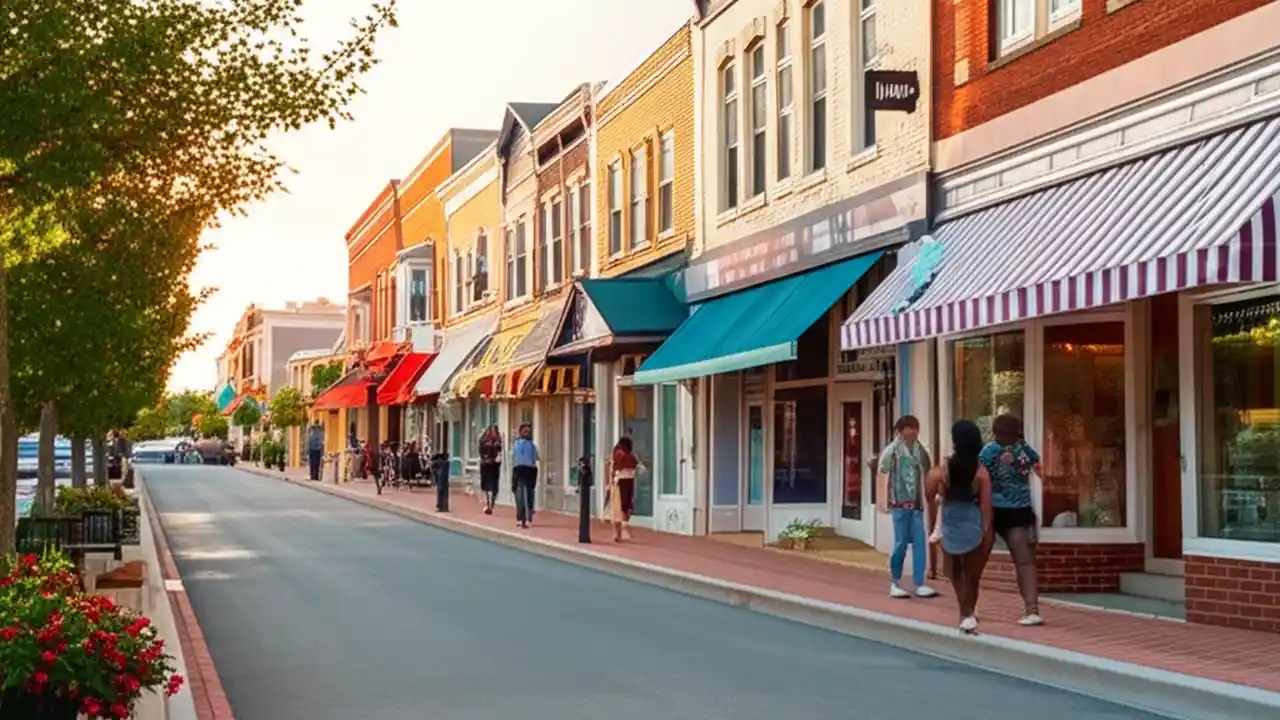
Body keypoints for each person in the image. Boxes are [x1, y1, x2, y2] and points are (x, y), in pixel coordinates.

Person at [927, 420, 993, 634]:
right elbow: (986, 505)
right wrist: (985, 530)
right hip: (973, 520)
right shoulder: (981, 470)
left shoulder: (946, 466)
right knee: (972, 575)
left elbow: (934, 492)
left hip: (951, 520)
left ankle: (964, 612)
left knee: (954, 570)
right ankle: (968, 613)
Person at [981, 414, 1044, 626]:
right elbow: (1038, 469)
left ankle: (969, 608)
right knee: (1024, 561)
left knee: (978, 561)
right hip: (1018, 510)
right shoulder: (1023, 449)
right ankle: (1032, 609)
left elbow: (980, 476)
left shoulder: (990, 450)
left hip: (994, 510)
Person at [877, 415, 937, 598]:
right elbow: (883, 471)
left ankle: (920, 583)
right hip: (899, 505)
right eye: (908, 428)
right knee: (900, 544)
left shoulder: (922, 449)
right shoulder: (892, 450)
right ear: (900, 430)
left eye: (915, 428)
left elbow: (930, 471)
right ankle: (895, 582)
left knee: (920, 543)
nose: (912, 432)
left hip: (918, 505)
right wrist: (884, 502)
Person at [606, 437, 639, 542]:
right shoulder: (631, 457)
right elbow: (635, 469)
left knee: (616, 510)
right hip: (627, 484)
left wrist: (609, 484)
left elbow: (611, 468)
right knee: (625, 508)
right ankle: (624, 530)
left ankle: (617, 534)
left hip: (617, 484)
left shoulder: (615, 454)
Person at [510, 423, 539, 529]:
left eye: (529, 431)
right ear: (520, 432)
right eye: (525, 431)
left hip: (530, 470)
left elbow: (536, 457)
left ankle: (528, 517)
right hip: (519, 470)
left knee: (530, 494)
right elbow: (513, 458)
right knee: (519, 495)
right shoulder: (516, 444)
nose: (527, 433)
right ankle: (520, 517)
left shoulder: (532, 445)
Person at [477, 425, 502, 515]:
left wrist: (497, 459)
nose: (493, 433)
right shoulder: (483, 440)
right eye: (492, 431)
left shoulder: (498, 441)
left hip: (494, 466)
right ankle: (488, 504)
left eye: (495, 432)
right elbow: (481, 452)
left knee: (494, 486)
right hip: (485, 465)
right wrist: (486, 459)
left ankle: (491, 503)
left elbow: (500, 452)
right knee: (486, 486)